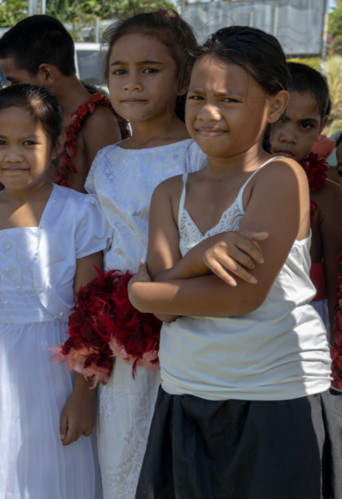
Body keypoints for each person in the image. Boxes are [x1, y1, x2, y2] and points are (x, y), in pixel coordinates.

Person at [129, 26, 342, 497]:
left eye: (229, 100)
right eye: (197, 96)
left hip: (272, 396)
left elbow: (242, 295)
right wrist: (198, 257)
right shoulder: (170, 193)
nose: (208, 113)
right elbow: (164, 305)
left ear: (275, 106)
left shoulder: (280, 177)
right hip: (187, 391)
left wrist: (145, 291)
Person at [57, 11, 204, 499]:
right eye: (119, 70)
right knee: (124, 462)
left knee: (183, 466)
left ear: (184, 77)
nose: (132, 83)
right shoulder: (107, 161)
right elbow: (95, 262)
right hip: (119, 343)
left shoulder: (200, 153)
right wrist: (85, 376)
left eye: (150, 69)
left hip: (188, 328)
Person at [0, 84, 106, 498]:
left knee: (45, 478)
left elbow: (90, 313)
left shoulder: (80, 213)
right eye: (1, 142)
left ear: (55, 146)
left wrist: (83, 397)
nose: (12, 155)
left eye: (28, 142)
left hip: (54, 370)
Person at [0, 14, 123, 191]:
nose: (11, 89)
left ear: (46, 73)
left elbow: (107, 200)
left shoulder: (98, 121)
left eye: (15, 82)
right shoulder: (32, 115)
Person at [268, 62, 342, 331]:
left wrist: (337, 344)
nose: (289, 137)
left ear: (322, 126)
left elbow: (336, 278)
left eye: (305, 125)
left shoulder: (327, 194)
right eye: (279, 121)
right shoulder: (233, 180)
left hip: (307, 323)